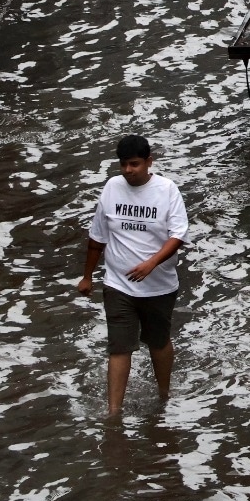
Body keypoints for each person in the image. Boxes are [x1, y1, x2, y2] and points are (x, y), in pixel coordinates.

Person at [76, 135, 189, 416]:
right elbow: (97, 237)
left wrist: (152, 263)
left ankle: (164, 395)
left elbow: (178, 235)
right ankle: (114, 412)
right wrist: (87, 276)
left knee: (158, 342)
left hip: (159, 286)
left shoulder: (167, 190)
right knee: (118, 347)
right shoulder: (112, 188)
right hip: (118, 284)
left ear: (149, 162)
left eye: (135, 164)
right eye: (124, 165)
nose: (128, 170)